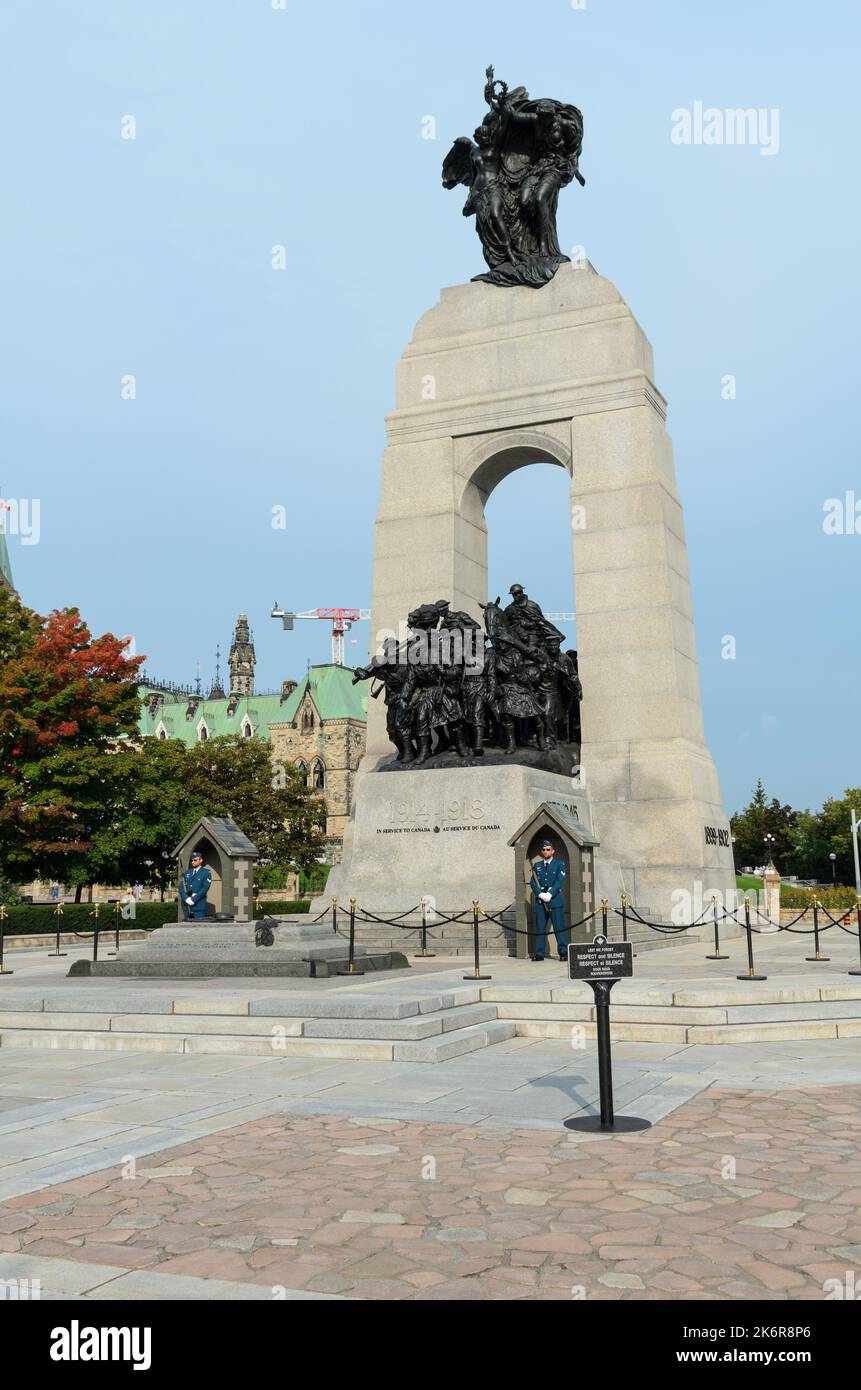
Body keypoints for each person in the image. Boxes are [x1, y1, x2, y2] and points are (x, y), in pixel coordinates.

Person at [529, 839, 568, 962]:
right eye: (544, 850)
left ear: (553, 851)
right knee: (540, 929)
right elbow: (533, 882)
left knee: (559, 928)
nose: (545, 851)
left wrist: (550, 894)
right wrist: (540, 894)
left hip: (555, 901)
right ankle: (539, 953)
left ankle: (563, 953)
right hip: (541, 902)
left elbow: (560, 880)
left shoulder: (559, 864)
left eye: (548, 849)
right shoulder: (537, 866)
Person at [179, 851, 211, 922]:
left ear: (201, 860)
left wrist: (194, 899)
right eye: (192, 860)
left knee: (198, 926)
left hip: (199, 905)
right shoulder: (187, 873)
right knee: (186, 926)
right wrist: (186, 898)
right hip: (186, 905)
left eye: (195, 860)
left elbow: (205, 888)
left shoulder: (206, 873)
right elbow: (180, 887)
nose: (193, 862)